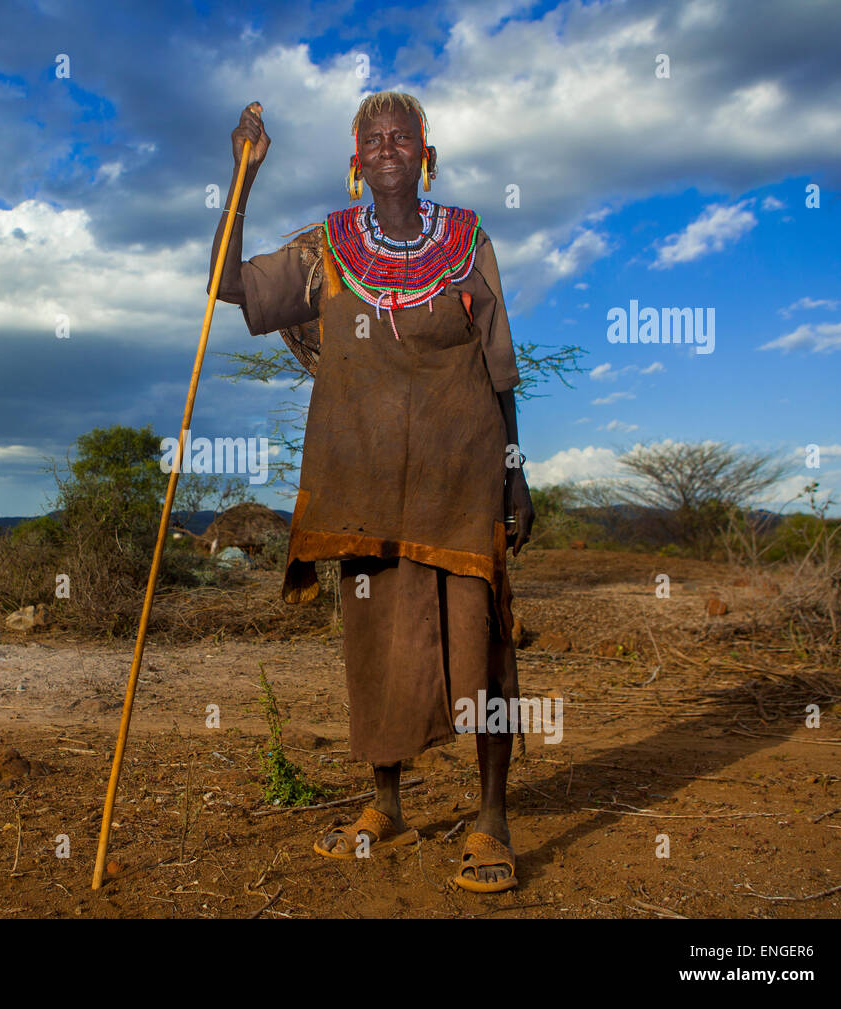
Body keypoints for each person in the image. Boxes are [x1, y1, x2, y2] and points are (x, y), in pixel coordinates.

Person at [208, 94, 535, 892]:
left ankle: (491, 819)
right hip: (361, 484)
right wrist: (242, 178)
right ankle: (385, 804)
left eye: (403, 136)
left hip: (460, 477)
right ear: (356, 158)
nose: (388, 147)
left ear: (427, 151)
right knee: (376, 643)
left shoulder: (467, 240)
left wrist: (517, 472)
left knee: (483, 643)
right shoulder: (326, 249)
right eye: (373, 138)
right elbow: (227, 286)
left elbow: (498, 363)